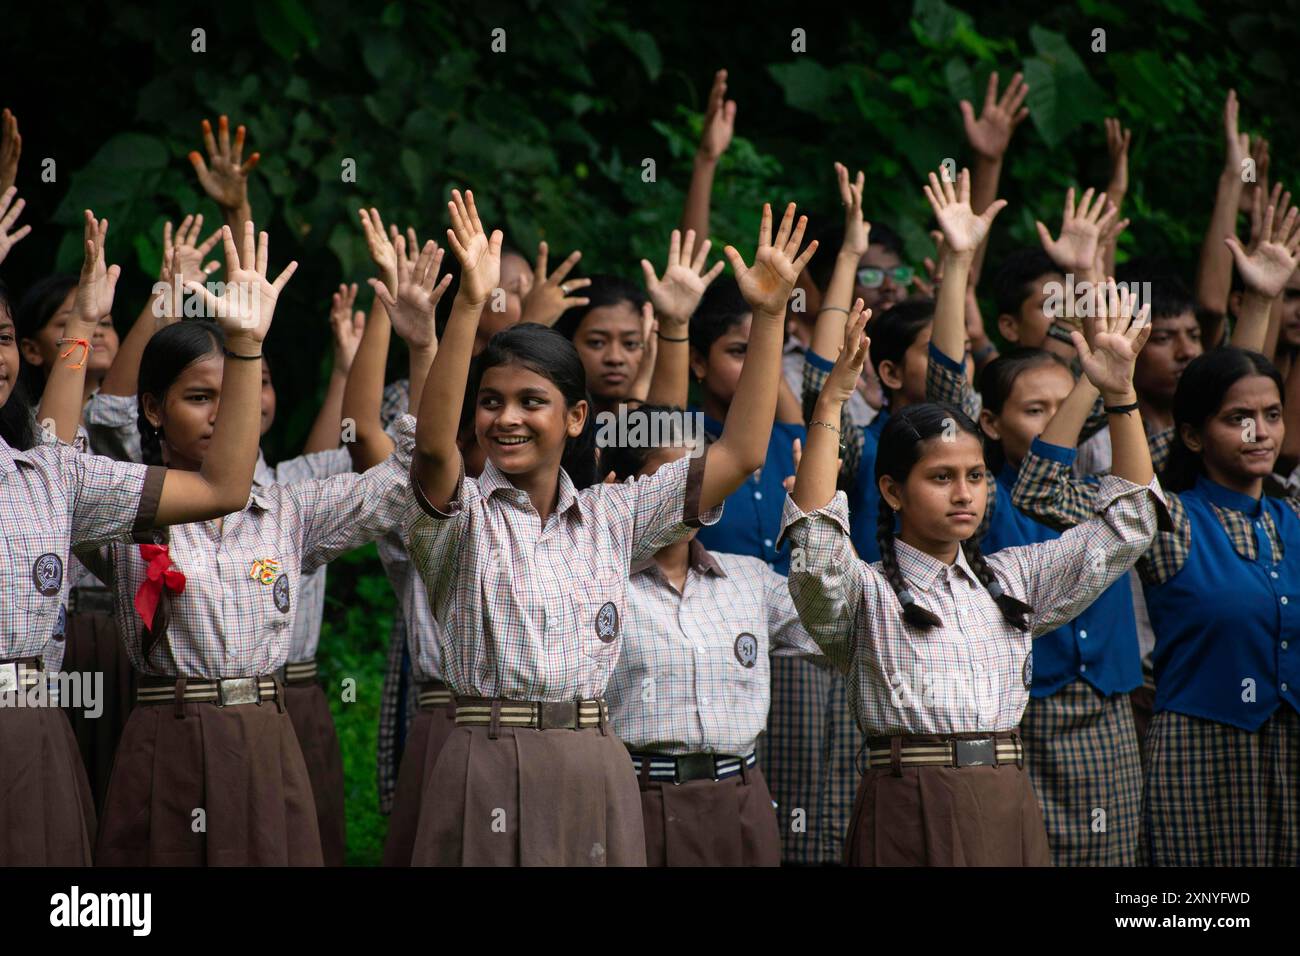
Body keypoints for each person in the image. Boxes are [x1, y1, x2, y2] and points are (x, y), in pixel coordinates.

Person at [403, 191, 815, 865]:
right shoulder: (460, 516)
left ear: (575, 418)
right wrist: (469, 305)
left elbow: (739, 453)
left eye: (532, 401)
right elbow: (433, 450)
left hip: (595, 763)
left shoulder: (613, 518)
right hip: (481, 759)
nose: (507, 418)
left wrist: (770, 315)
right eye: (491, 401)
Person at [783, 264, 1166, 865]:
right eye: (940, 477)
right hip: (908, 800)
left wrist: (1120, 394)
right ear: (891, 490)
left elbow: (1130, 524)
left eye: (976, 476)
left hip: (1007, 795)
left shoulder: (1013, 580)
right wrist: (832, 400)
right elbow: (814, 555)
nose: (964, 493)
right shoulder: (868, 592)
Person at [0, 214, 289, 865]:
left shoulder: (42, 477)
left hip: (28, 722)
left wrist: (244, 346)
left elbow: (222, 486)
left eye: (2, 337)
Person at [602, 404, 823, 866]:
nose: (695, 491)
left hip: (743, 798)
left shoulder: (750, 579)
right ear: (621, 487)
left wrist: (818, 527)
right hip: (637, 796)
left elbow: (838, 629)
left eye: (700, 473)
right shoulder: (596, 582)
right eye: (673, 476)